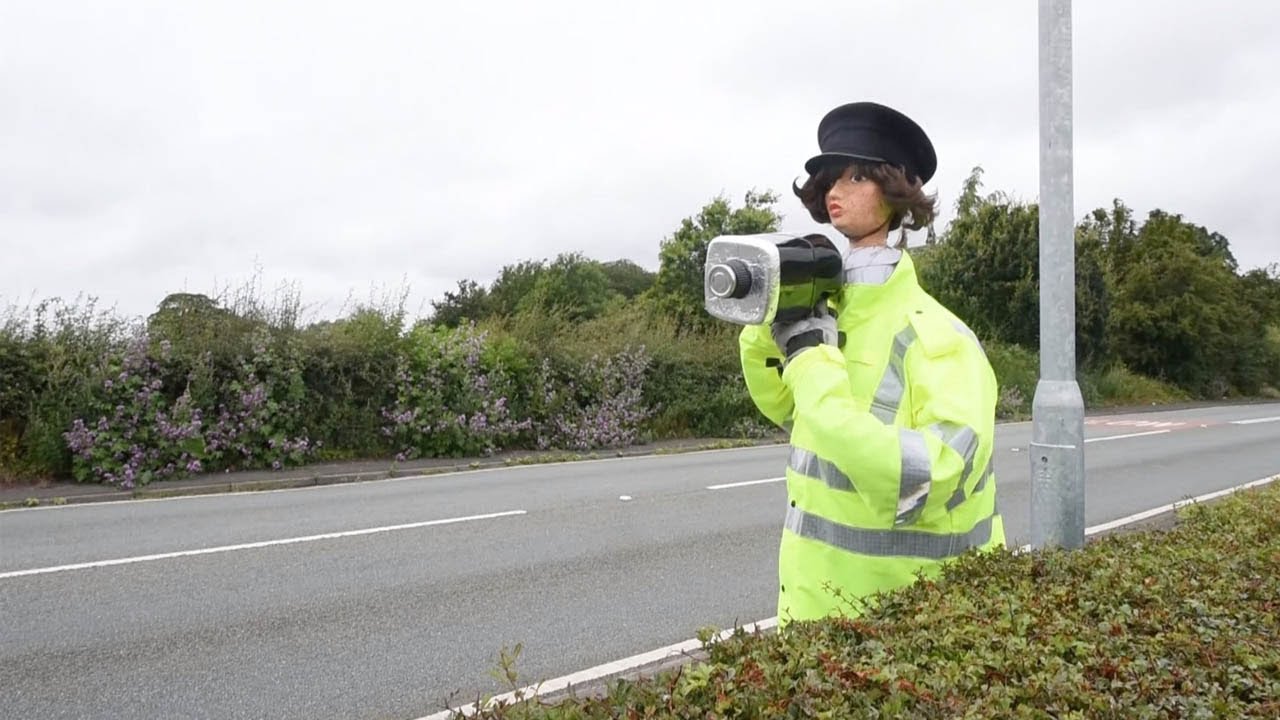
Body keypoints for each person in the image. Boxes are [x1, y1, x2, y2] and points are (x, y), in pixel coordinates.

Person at [738, 101, 1006, 625]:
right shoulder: (832, 310)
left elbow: (927, 478)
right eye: (832, 179)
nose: (836, 191)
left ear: (894, 190)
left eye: (857, 176)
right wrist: (767, 322)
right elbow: (789, 410)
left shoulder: (938, 338)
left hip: (904, 627)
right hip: (808, 613)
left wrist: (810, 356)